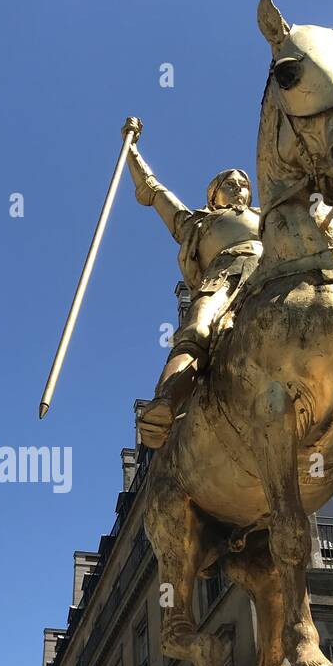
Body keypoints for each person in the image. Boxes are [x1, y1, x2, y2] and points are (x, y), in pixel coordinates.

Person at [126, 134, 262, 448]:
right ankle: (166, 402)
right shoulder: (197, 224)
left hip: (272, 270)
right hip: (225, 277)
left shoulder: (270, 216)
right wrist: (131, 150)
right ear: (214, 197)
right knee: (198, 327)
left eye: (243, 184)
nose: (239, 188)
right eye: (229, 184)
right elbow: (153, 191)